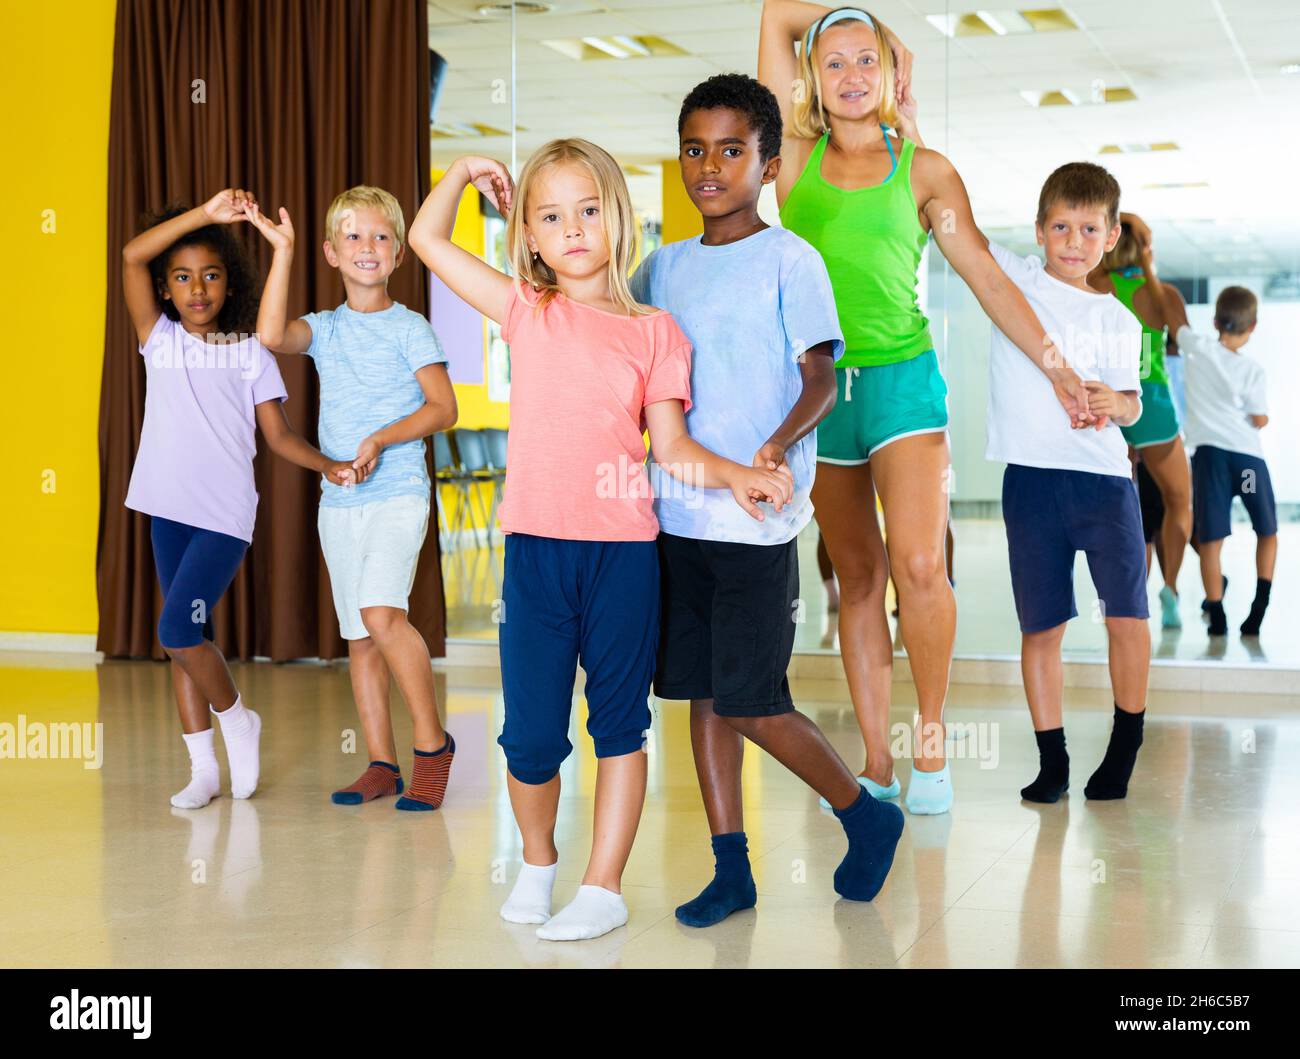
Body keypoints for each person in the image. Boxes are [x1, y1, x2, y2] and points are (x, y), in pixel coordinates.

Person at [407, 140, 793, 941]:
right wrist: (465, 171)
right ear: (530, 235)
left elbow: (674, 450)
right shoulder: (525, 307)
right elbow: (427, 242)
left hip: (622, 558)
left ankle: (602, 885)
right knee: (533, 734)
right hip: (536, 557)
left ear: (616, 217)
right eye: (550, 215)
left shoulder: (656, 332)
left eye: (588, 209)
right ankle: (540, 862)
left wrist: (737, 476)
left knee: (619, 723)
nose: (572, 228)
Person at [758, 2, 1095, 814]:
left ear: (890, 75)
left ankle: (931, 737)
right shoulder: (792, 161)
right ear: (811, 76)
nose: (849, 77)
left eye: (866, 61)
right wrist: (878, 27)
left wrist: (1057, 366)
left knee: (919, 565)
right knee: (861, 577)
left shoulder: (926, 171)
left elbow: (983, 272)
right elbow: (776, 15)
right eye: (833, 62)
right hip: (823, 390)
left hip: (905, 382)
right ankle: (878, 758)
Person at [632, 73, 906, 928]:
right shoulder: (660, 268)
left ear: (768, 161)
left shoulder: (793, 259)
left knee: (753, 698)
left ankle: (866, 812)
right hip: (676, 514)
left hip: (756, 516)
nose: (709, 166)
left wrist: (780, 443)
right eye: (694, 148)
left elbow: (821, 375)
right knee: (705, 694)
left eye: (731, 150)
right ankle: (731, 867)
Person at [122, 189, 353, 809]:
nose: (198, 289)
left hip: (224, 517)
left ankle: (238, 720)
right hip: (167, 507)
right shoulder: (159, 338)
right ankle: (203, 770)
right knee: (184, 640)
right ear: (165, 289)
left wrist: (327, 463)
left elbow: (277, 436)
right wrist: (204, 215)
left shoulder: (251, 350)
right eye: (182, 277)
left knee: (176, 629)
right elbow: (129, 256)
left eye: (211, 275)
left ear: (230, 283)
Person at [247, 186, 459, 809]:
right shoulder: (325, 328)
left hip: (398, 492)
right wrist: (281, 252)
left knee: (381, 615)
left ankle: (431, 746)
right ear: (332, 252)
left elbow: (445, 409)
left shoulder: (411, 327)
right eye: (354, 237)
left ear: (398, 254)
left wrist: (379, 439)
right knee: (359, 638)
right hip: (338, 500)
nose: (368, 248)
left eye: (381, 237)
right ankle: (380, 763)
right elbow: (269, 334)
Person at [984, 162, 1151, 802]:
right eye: (1060, 226)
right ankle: (1052, 760)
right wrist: (910, 131)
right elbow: (958, 222)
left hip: (1104, 485)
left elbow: (1133, 407)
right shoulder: (1016, 279)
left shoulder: (1120, 321)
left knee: (1127, 619)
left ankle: (1125, 744)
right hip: (1031, 484)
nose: (1073, 241)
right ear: (1038, 230)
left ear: (1110, 237)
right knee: (1042, 627)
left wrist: (1117, 403)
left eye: (1088, 229)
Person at [1089, 214, 1192, 629]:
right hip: (1154, 407)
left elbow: (1089, 272)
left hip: (1111, 404)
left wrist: (1118, 227)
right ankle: (1171, 586)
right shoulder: (1161, 293)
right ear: (1144, 249)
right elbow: (1181, 331)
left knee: (1124, 510)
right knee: (1180, 501)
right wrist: (1147, 258)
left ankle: (1130, 594)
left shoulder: (1098, 288)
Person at [1157, 285, 1275, 636]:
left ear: (1214, 320)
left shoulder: (1199, 348)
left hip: (1211, 460)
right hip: (1247, 463)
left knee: (1211, 539)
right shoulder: (1253, 370)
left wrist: (1153, 275)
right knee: (1266, 531)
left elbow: (1175, 320)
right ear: (1252, 326)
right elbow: (1260, 418)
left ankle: (1218, 615)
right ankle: (1259, 609)